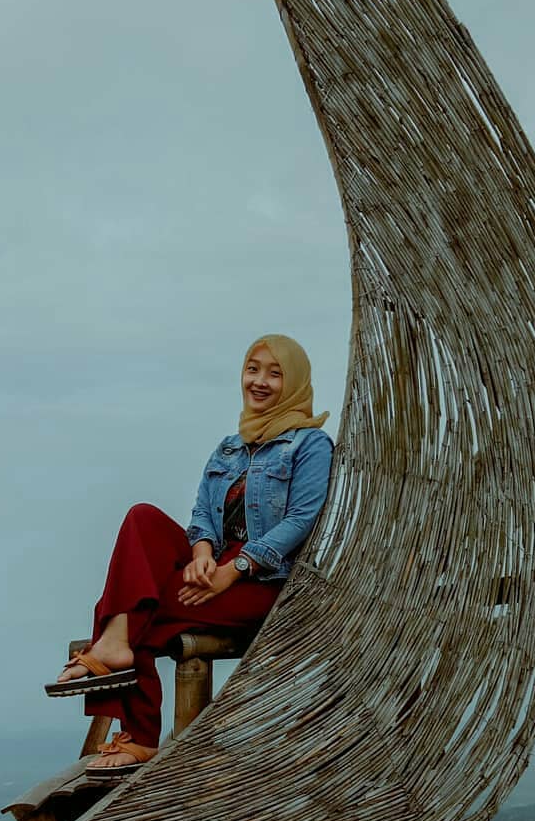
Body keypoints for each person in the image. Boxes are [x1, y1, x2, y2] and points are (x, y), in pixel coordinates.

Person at [45, 334, 333, 779]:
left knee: (140, 607)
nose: (260, 381)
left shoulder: (311, 446)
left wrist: (233, 571)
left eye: (275, 373)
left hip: (265, 581)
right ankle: (117, 646)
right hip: (213, 566)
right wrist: (201, 555)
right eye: (253, 368)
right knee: (141, 518)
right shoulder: (229, 448)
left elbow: (300, 521)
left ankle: (138, 726)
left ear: (294, 381)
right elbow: (202, 514)